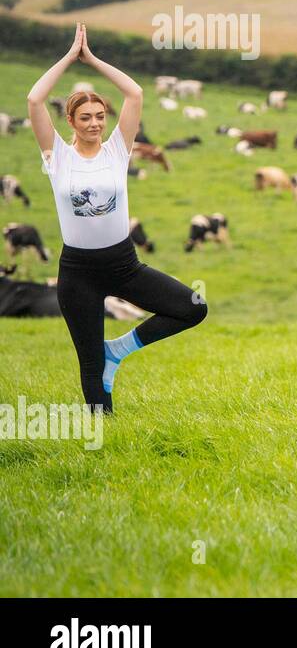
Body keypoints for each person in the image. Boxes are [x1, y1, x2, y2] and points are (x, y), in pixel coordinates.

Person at [27, 24, 208, 414]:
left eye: (99, 116)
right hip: (77, 273)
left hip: (124, 265)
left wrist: (92, 59)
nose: (94, 123)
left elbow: (135, 93)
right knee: (91, 370)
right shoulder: (57, 156)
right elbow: (35, 100)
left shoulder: (117, 151)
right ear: (71, 122)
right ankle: (103, 438)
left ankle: (120, 349)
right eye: (85, 117)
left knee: (193, 307)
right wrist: (68, 57)